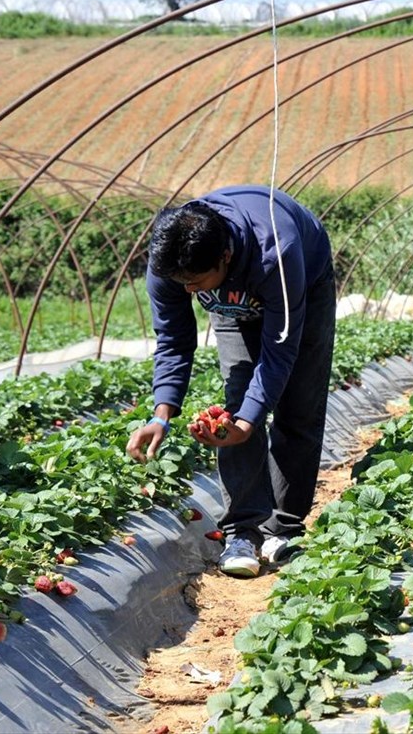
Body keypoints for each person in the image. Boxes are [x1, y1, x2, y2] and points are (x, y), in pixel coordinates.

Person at [126, 186, 336, 578]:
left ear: (224, 256)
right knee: (238, 399)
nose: (188, 291)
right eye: (181, 282)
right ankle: (243, 531)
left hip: (302, 283)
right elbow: (173, 339)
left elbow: (279, 350)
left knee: (298, 401)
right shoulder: (170, 260)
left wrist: (249, 423)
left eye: (195, 281)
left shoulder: (277, 251)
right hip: (233, 297)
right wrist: (161, 415)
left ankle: (284, 527)